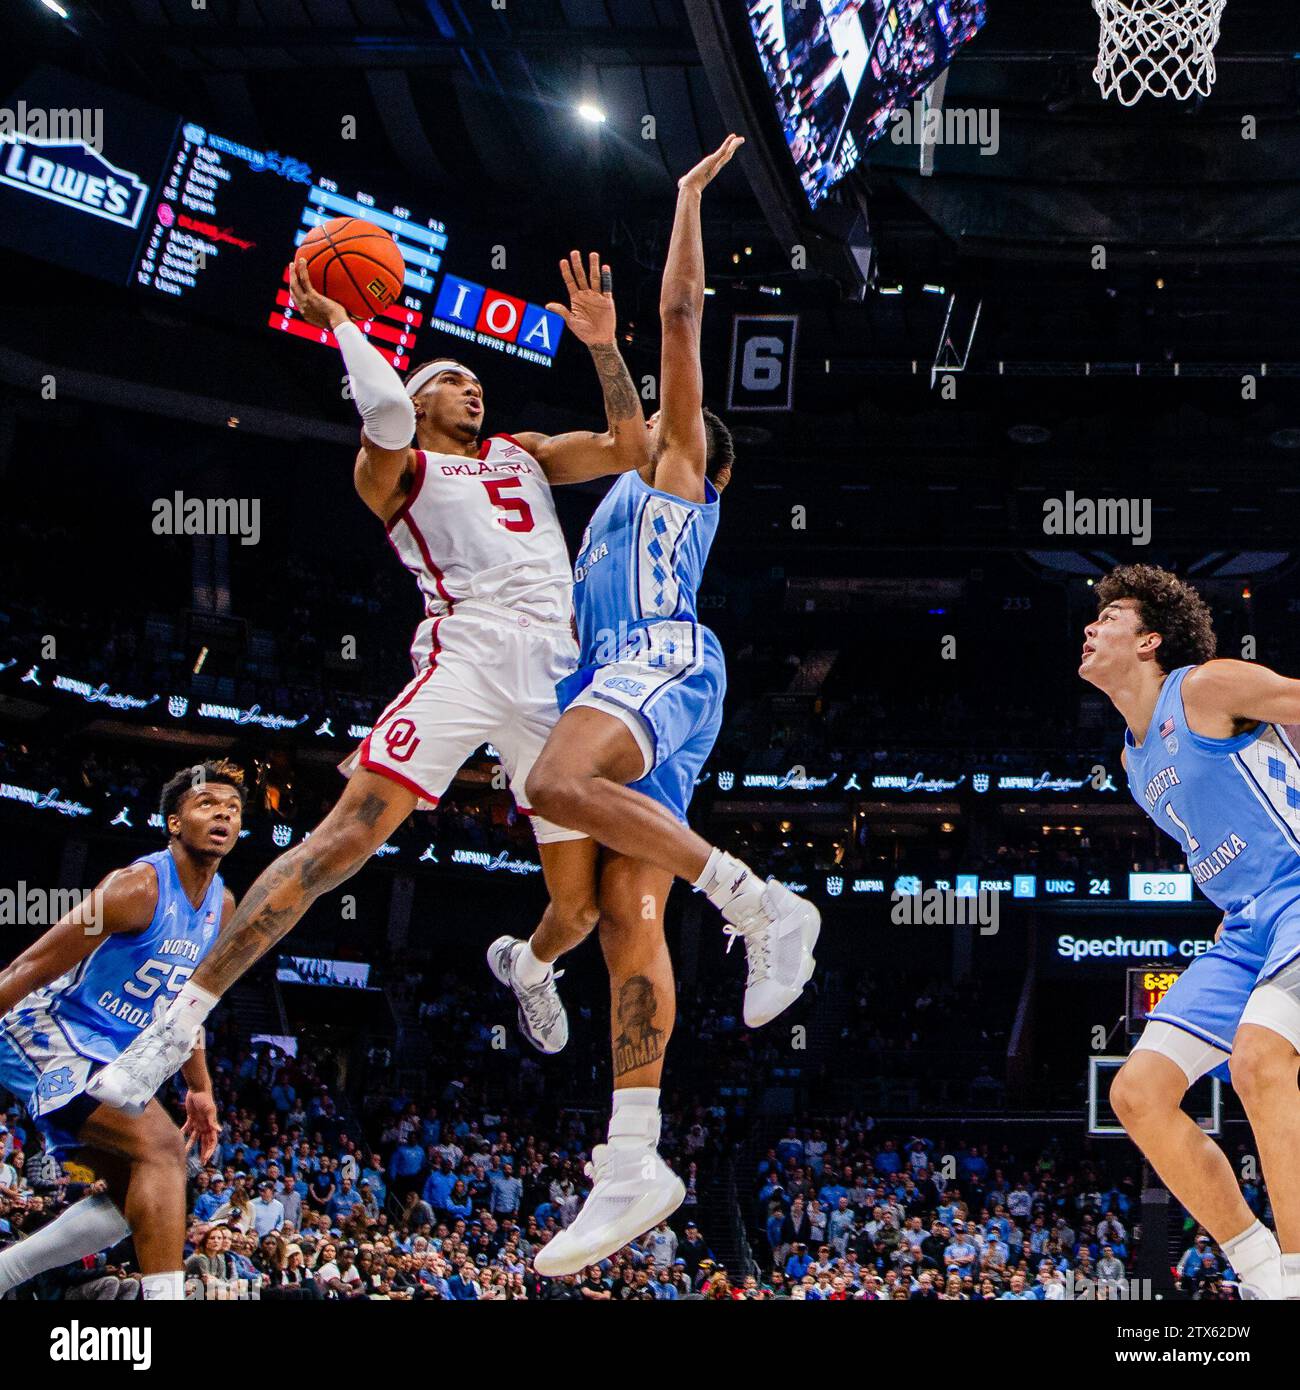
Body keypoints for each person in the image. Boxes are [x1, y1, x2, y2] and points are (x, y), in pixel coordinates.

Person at [85, 251, 654, 1110]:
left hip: (555, 675)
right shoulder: (391, 470)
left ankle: (527, 966)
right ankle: (174, 1025)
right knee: (339, 844)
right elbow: (383, 408)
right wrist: (343, 321)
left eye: (477, 383)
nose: (475, 391)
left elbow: (632, 447)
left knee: (576, 912)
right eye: (454, 380)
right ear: (420, 397)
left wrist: (604, 347)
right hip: (464, 655)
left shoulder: (523, 452)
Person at [492, 136, 820, 1276]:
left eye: (664, 441)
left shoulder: (684, 472)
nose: (643, 446)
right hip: (619, 688)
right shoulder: (621, 491)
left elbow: (679, 325)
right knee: (625, 919)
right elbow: (626, 416)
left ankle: (761, 902)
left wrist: (685, 199)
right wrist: (596, 354)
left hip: (664, 661)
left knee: (553, 781)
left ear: (701, 464)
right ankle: (633, 1156)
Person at [1082, 563, 1300, 1298]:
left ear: (1148, 643)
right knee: (1137, 1094)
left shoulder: (1206, 686)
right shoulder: (1132, 758)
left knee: (1259, 1060)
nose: (1091, 627)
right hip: (1244, 928)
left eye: (1109, 620)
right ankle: (1264, 1273)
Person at [0, 760, 242, 1300]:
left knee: (142, 1188)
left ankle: (4, 1274)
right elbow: (26, 968)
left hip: (109, 1052)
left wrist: (199, 1088)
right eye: (207, 804)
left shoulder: (222, 906)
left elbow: (188, 1006)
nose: (223, 812)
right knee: (161, 1150)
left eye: (232, 808)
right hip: (47, 1029)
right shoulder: (134, 888)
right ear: (175, 823)